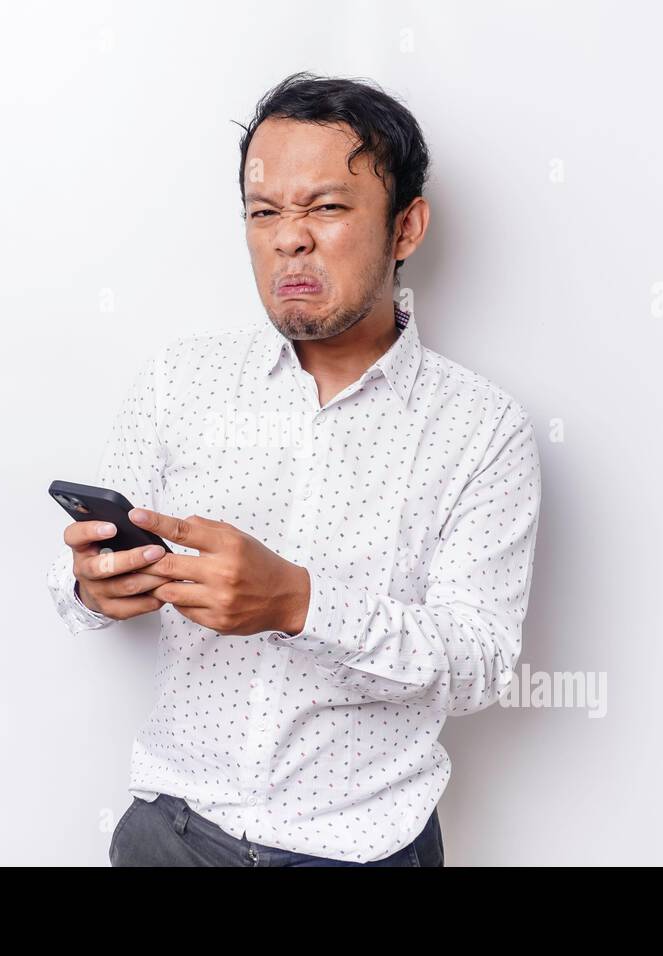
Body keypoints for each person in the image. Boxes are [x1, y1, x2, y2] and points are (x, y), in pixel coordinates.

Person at [47, 71, 542, 867]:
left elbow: (480, 663)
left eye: (326, 208)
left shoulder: (481, 429)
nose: (289, 238)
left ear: (406, 227)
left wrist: (298, 603)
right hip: (169, 838)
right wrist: (92, 587)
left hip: (360, 849)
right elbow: (76, 590)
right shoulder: (180, 380)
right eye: (265, 212)